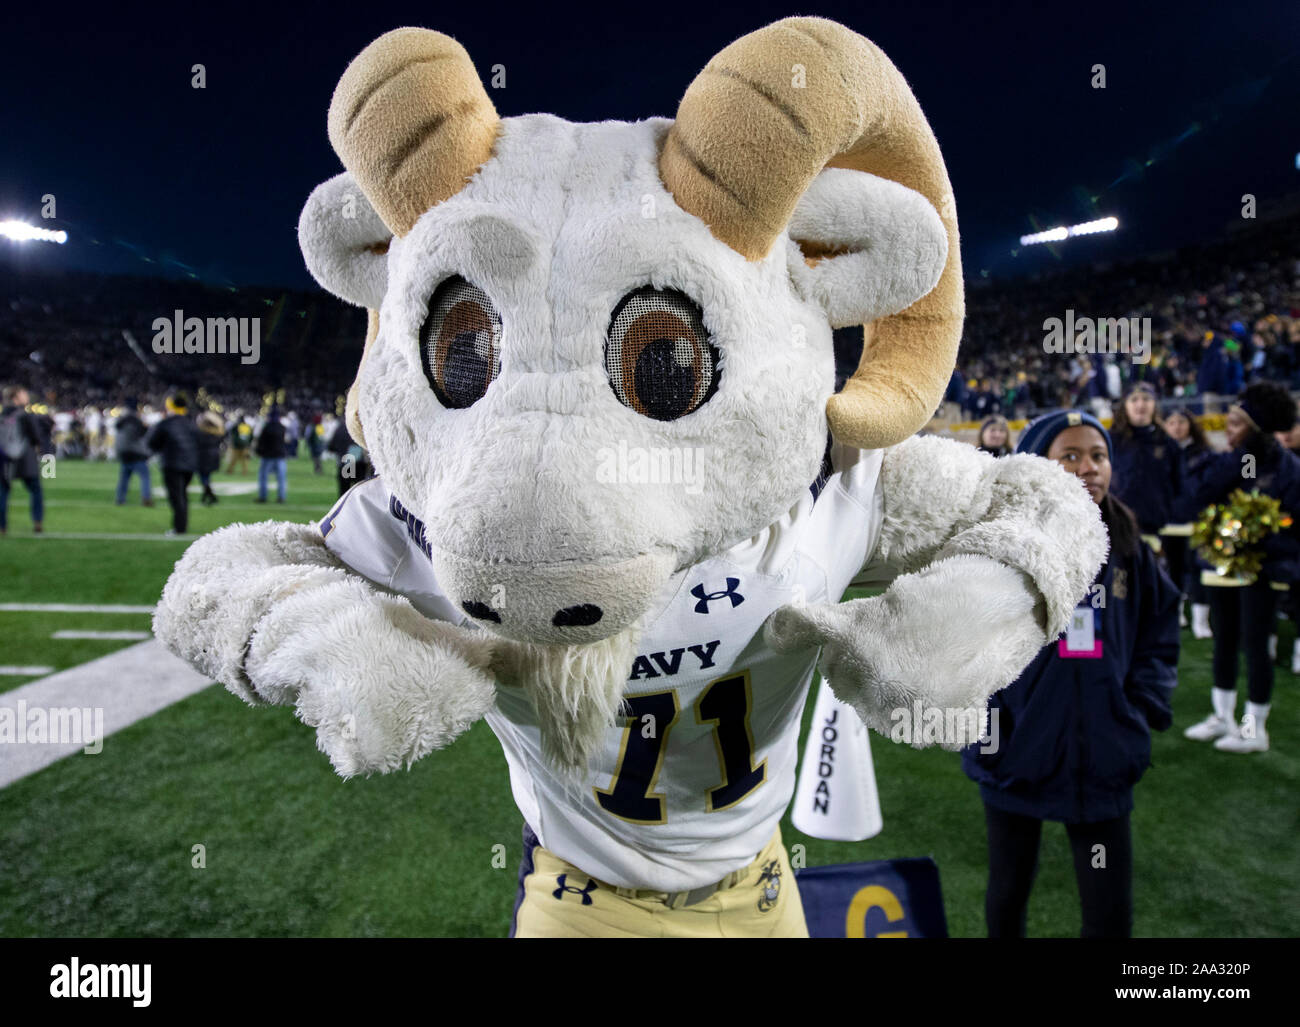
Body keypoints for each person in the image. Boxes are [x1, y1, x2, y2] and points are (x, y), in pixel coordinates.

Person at [962, 410, 1179, 938]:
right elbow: (962, 647)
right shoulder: (999, 546)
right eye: (1072, 455)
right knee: (1009, 893)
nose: (1090, 467)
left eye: (1098, 455)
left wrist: (1141, 707)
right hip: (1016, 757)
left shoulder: (1129, 547)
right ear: (1041, 467)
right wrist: (990, 733)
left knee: (1109, 913)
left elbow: (1160, 629)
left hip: (1104, 757)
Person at [1183, 381, 1300, 753]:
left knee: (1254, 647)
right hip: (1221, 566)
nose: (1227, 431)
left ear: (1257, 426)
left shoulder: (1287, 467)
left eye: (1235, 424)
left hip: (1260, 571)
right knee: (1224, 642)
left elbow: (1295, 524)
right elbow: (1199, 498)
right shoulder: (1238, 460)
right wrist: (1237, 459)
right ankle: (1222, 717)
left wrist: (1257, 543)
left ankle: (1254, 731)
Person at [1109, 383, 1184, 553]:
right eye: (1134, 399)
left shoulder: (1167, 443)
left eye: (1146, 399)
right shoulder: (1110, 441)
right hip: (1117, 528)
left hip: (1156, 530)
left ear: (1155, 405)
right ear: (1125, 406)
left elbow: (1180, 485)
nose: (1140, 405)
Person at [1161, 407, 1214, 636]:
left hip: (1196, 521)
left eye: (1181, 422)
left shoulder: (1204, 453)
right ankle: (1177, 612)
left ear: (1190, 425)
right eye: (1171, 423)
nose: (1177, 427)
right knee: (1173, 567)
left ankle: (1201, 621)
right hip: (1169, 521)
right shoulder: (1160, 452)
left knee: (1198, 568)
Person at [145, 391, 201, 536]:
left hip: (172, 464)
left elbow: (152, 442)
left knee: (176, 497)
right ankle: (182, 525)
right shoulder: (191, 424)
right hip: (189, 464)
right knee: (182, 495)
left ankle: (179, 528)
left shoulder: (166, 423)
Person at [0, 385, 50, 535]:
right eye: (23, 394)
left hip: (5, 458)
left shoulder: (3, 415)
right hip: (26, 458)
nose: (26, 396)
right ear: (16, 397)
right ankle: (37, 522)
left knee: (3, 492)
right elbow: (36, 436)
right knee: (36, 490)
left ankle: (2, 526)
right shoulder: (24, 415)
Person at [113, 399, 154, 507]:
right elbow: (142, 433)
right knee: (145, 476)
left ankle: (120, 498)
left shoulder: (121, 420)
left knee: (124, 477)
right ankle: (146, 498)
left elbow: (117, 428)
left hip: (123, 452)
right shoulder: (136, 420)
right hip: (135, 453)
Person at [326, 417, 373, 497]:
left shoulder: (339, 428)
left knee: (344, 493)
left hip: (344, 464)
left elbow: (331, 447)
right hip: (358, 464)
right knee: (360, 492)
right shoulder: (358, 427)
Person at [254, 407, 289, 503]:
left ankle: (263, 496)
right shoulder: (282, 428)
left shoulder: (267, 427)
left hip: (268, 456)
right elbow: (285, 441)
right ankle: (281, 497)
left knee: (263, 477)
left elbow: (261, 442)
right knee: (281, 478)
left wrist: (259, 452)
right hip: (280, 455)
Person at [195, 410, 225, 506]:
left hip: (203, 457)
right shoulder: (217, 432)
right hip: (214, 456)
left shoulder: (201, 433)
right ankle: (206, 495)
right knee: (206, 476)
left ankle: (210, 495)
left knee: (203, 477)